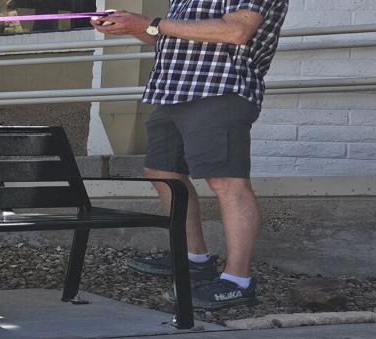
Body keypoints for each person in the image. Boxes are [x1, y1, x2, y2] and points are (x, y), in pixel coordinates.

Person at [92, 0, 288, 310]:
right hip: (173, 90)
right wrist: (131, 27)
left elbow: (237, 30)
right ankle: (194, 258)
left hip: (219, 89)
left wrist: (149, 21)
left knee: (227, 181)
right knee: (161, 171)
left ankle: (239, 281)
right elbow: (166, 34)